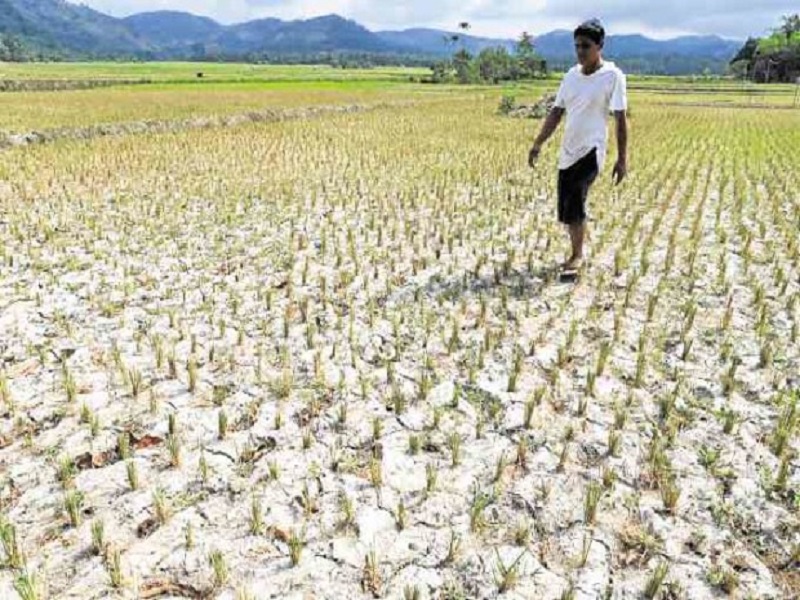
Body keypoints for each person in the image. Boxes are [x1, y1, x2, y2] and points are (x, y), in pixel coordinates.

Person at [528, 18, 628, 273]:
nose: (581, 51)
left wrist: (622, 158)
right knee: (567, 205)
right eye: (577, 46)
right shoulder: (571, 77)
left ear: (600, 46)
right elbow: (556, 113)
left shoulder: (612, 76)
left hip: (593, 150)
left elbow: (620, 118)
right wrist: (538, 143)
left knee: (575, 198)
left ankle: (577, 256)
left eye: (586, 46)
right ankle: (576, 251)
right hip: (568, 151)